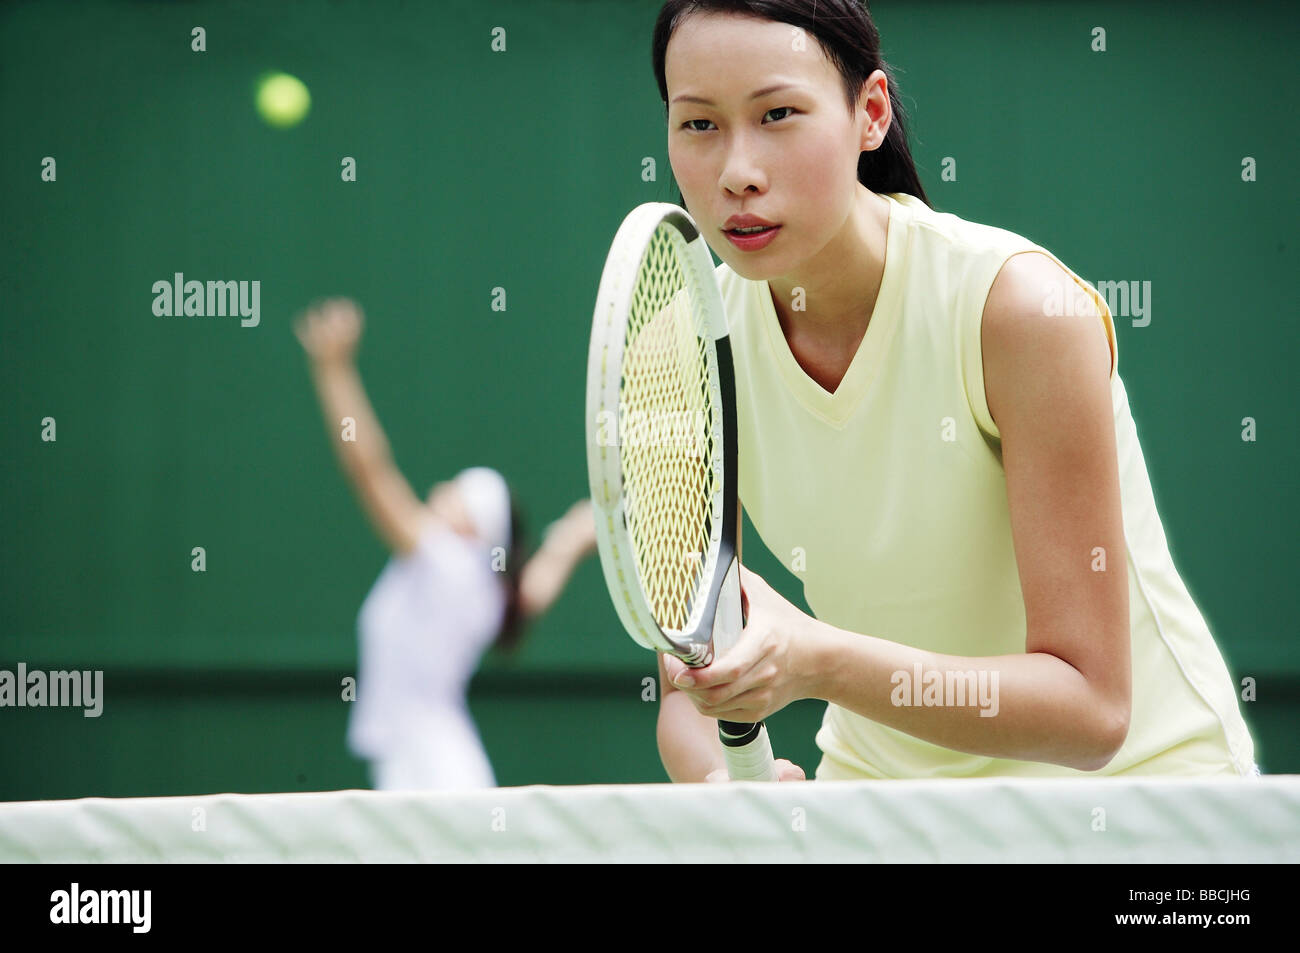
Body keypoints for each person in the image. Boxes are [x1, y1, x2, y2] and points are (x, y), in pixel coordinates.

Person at [648, 0, 1259, 782]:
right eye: (699, 125)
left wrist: (818, 661)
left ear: (869, 113)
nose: (738, 171)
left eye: (778, 114)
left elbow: (1092, 709)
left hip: (1145, 804)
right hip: (882, 803)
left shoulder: (1022, 312)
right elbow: (688, 674)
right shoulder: (681, 344)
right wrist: (727, 788)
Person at [295, 298, 597, 790]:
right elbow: (532, 591)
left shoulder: (448, 564)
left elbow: (369, 472)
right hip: (436, 765)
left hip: (432, 771)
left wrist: (334, 369)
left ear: (473, 533)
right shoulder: (481, 585)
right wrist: (575, 538)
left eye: (455, 498)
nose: (437, 494)